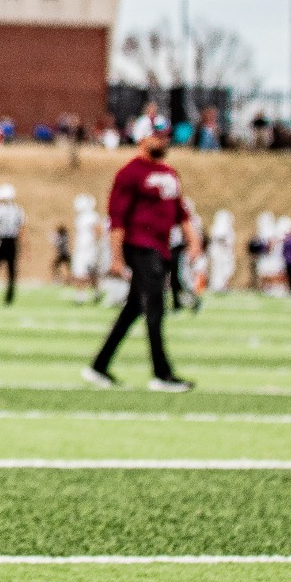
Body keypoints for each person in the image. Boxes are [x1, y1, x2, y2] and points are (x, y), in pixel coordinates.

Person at [83, 130, 198, 392]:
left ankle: (99, 366)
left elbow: (181, 211)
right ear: (142, 139)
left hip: (161, 247)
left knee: (134, 308)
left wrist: (194, 242)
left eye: (164, 137)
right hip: (140, 245)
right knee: (155, 306)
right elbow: (117, 218)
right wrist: (115, 257)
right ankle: (161, 373)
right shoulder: (130, 173)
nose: (162, 142)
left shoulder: (170, 173)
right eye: (156, 137)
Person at [206, 210, 236, 293]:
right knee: (218, 271)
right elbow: (219, 238)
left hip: (225, 254)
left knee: (227, 270)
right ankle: (217, 286)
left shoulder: (228, 229)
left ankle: (223, 286)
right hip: (220, 254)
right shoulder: (218, 228)